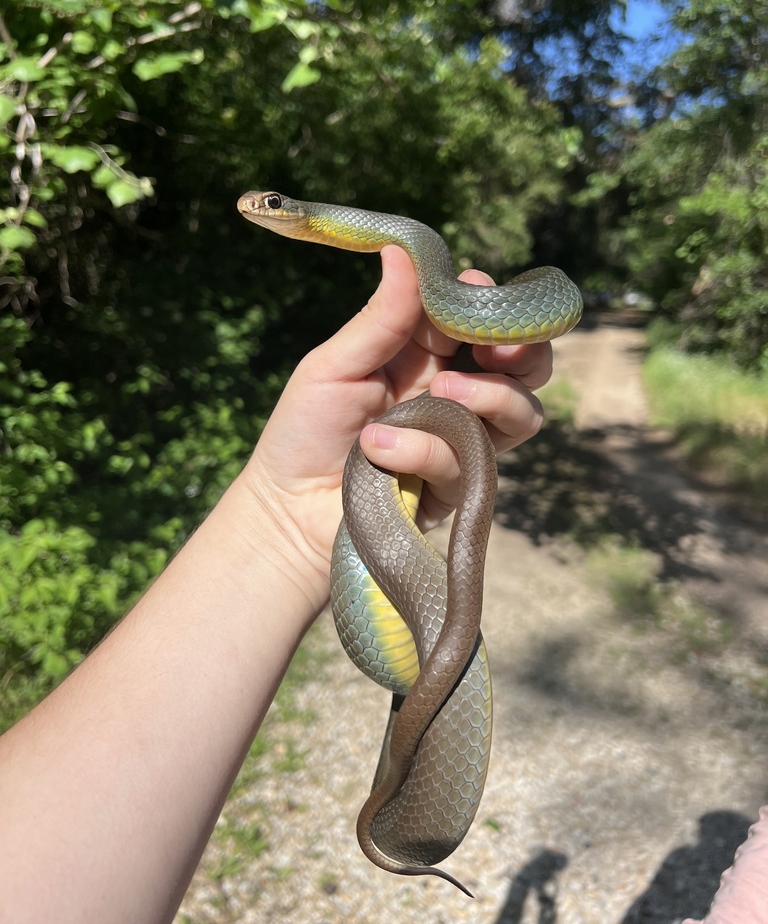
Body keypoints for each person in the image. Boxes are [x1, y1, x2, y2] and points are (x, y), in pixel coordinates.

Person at [0, 247, 764, 923]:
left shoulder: (447, 276)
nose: (258, 214)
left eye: (270, 208)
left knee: (461, 430)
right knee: (429, 607)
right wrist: (288, 516)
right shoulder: (399, 290)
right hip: (370, 532)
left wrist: (293, 523)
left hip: (378, 524)